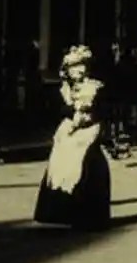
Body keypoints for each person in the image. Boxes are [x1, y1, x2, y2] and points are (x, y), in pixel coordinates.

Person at [35, 77, 111, 230]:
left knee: (89, 171)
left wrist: (89, 117)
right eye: (75, 67)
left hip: (89, 133)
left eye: (82, 66)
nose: (79, 71)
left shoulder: (94, 87)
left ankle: (89, 216)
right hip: (67, 134)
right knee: (60, 170)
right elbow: (55, 110)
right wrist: (72, 115)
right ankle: (58, 213)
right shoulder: (62, 90)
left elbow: (103, 110)